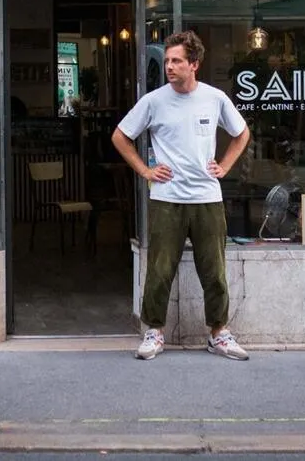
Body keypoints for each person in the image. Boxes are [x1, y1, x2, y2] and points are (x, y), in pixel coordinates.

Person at [111, 30, 251, 362]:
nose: (169, 66)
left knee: (214, 270)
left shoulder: (214, 98)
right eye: (168, 61)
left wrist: (225, 166)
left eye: (176, 61)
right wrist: (145, 172)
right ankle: (154, 332)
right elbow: (120, 136)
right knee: (159, 270)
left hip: (207, 198)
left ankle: (219, 334)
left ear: (194, 64)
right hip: (167, 197)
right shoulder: (154, 100)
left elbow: (241, 133)